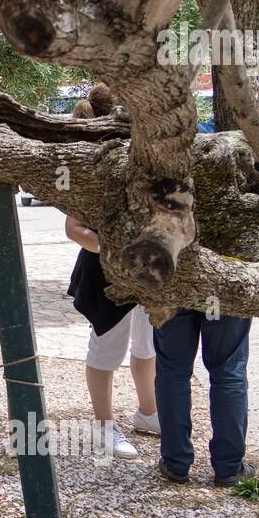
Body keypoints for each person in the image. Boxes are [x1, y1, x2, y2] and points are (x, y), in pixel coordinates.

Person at [152, 65, 259, 486]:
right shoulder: (244, 141)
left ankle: (176, 463)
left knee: (173, 370)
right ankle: (228, 466)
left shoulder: (161, 142)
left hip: (174, 274)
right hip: (226, 272)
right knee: (227, 369)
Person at [64, 89, 159, 459]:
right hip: (106, 272)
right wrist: (119, 252)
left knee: (147, 343)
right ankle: (104, 426)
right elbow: (74, 229)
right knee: (107, 348)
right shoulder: (91, 167)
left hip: (143, 268)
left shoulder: (138, 159)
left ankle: (148, 413)